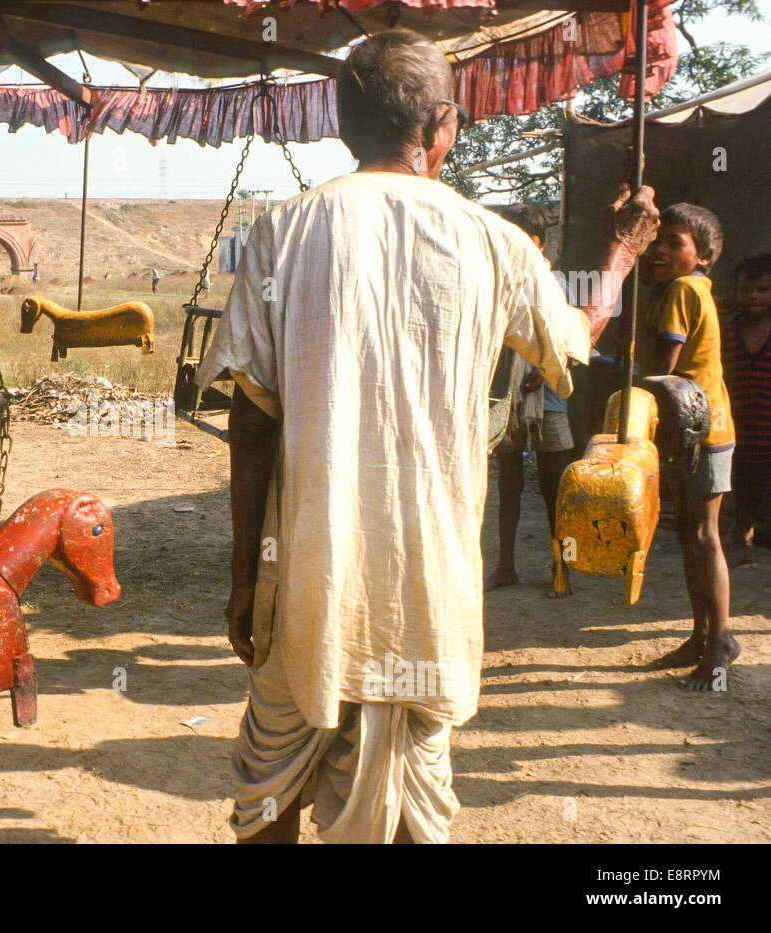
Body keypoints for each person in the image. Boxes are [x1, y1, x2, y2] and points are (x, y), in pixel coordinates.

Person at [197, 28, 659, 844]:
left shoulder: (283, 232)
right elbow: (576, 344)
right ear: (443, 125)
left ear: (343, 126)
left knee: (267, 790)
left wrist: (244, 576)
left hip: (308, 579)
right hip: (428, 587)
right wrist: (620, 254)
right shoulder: (495, 242)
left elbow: (251, 421)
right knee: (416, 796)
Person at [636, 204, 738, 691]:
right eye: (657, 240)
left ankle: (719, 641)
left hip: (703, 432)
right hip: (695, 429)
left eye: (674, 242)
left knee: (703, 537)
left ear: (703, 255)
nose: (660, 249)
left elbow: (662, 366)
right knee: (690, 537)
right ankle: (700, 635)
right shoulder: (690, 288)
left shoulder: (681, 289)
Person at [487, 204, 578, 597]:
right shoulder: (497, 283)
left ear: (536, 243)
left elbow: (569, 342)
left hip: (550, 401)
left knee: (554, 486)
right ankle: (505, 566)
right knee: (508, 484)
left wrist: (540, 372)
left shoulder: (557, 284)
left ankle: (563, 567)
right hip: (506, 400)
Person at [723, 253, 771, 567]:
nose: (753, 295)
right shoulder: (727, 332)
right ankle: (743, 542)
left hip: (768, 428)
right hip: (738, 428)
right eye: (746, 289)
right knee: (742, 490)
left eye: (763, 289)